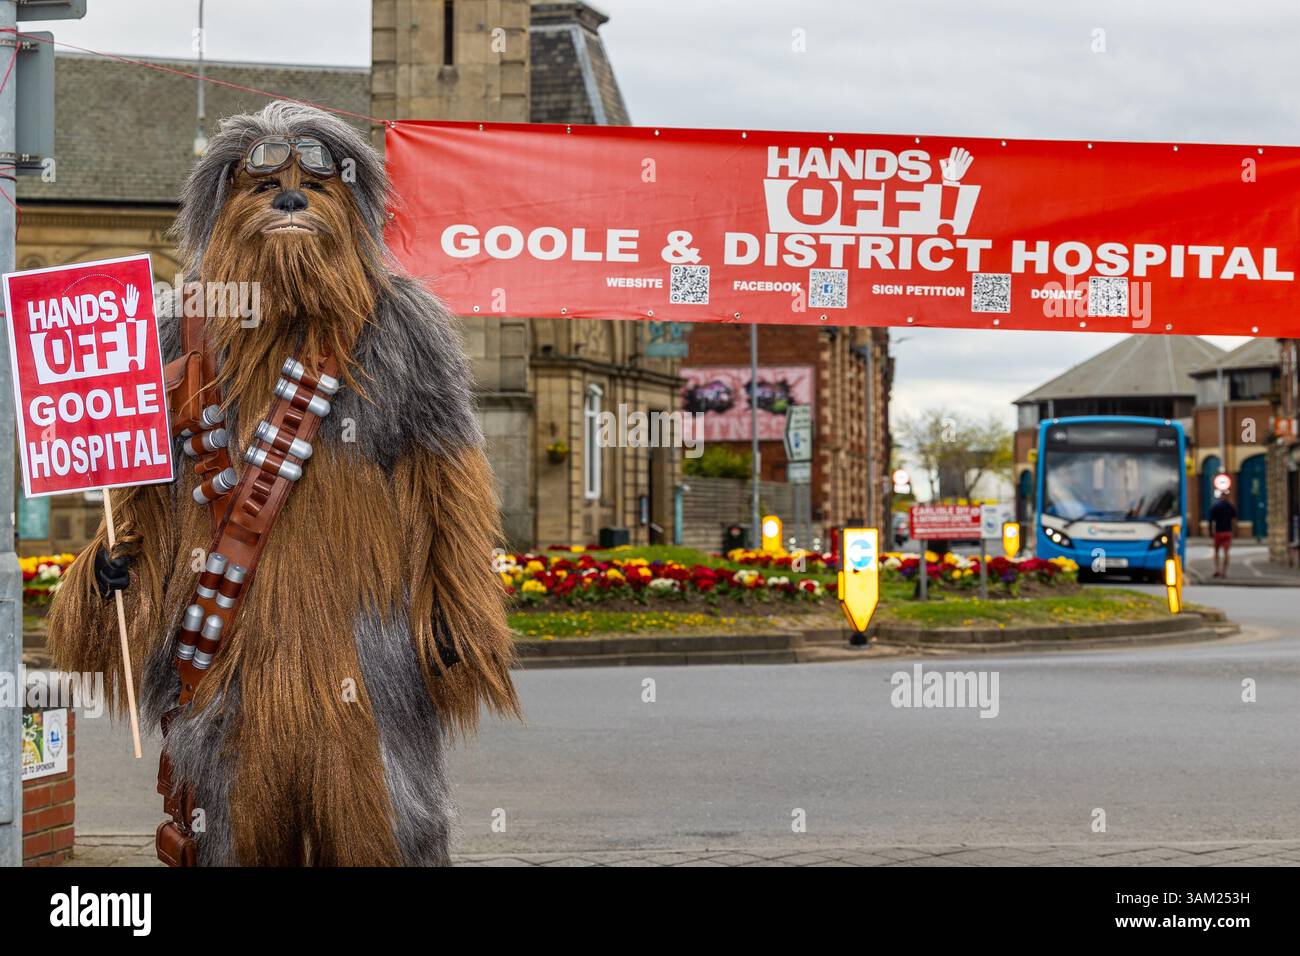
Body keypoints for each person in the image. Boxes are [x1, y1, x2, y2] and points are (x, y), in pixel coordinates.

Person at [1208, 491, 1238, 579]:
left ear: (1220, 497)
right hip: (1227, 532)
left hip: (1218, 532)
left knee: (1216, 552)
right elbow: (1234, 519)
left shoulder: (1216, 507)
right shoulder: (1230, 507)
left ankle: (1217, 570)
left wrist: (1211, 532)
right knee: (1226, 553)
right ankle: (1224, 571)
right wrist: (1233, 531)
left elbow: (1211, 521)